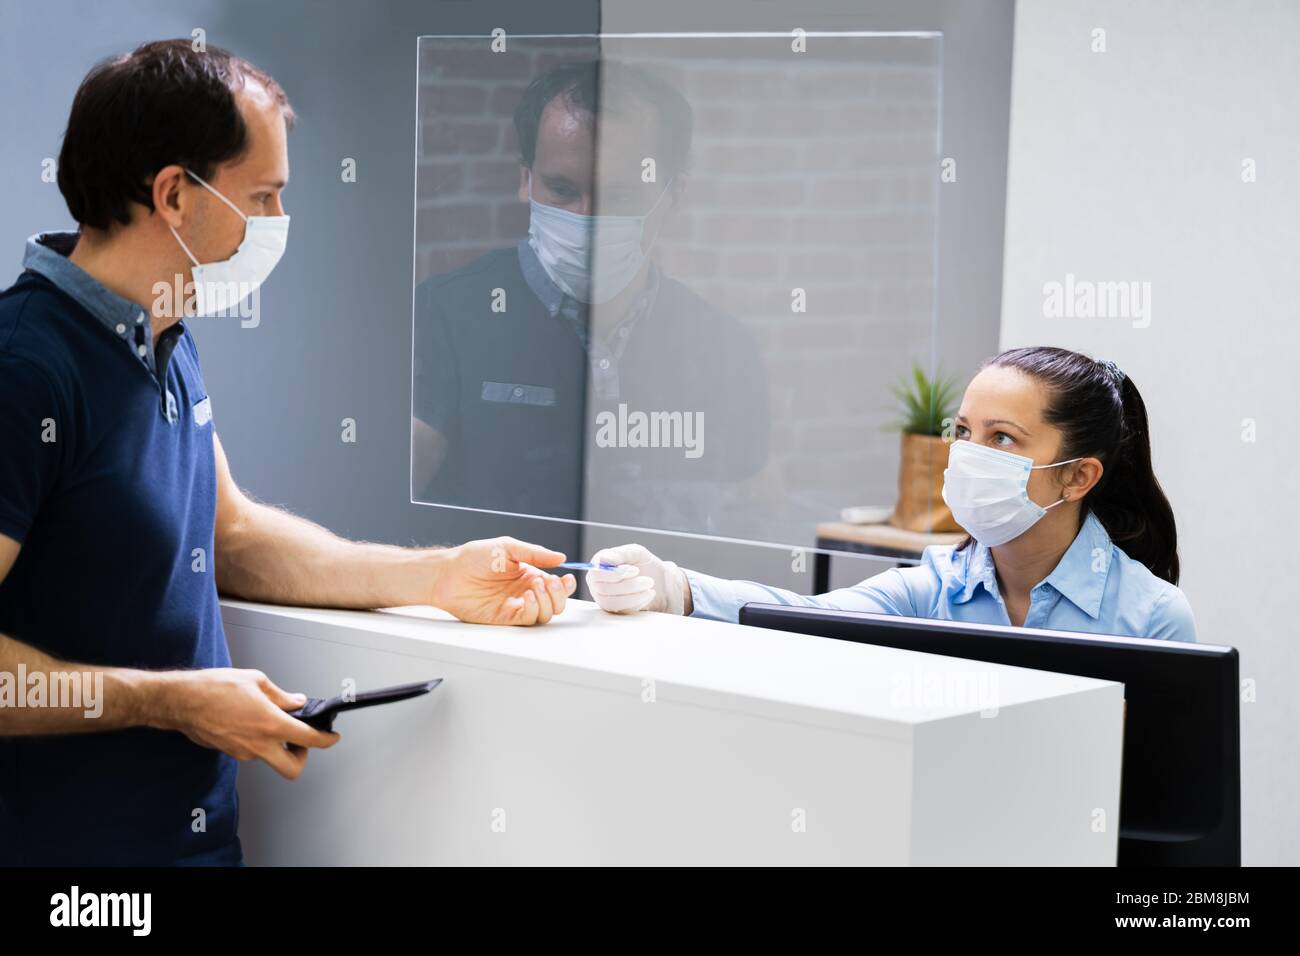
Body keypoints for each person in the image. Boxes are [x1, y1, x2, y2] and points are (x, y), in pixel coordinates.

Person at [0, 40, 576, 866]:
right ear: (173, 195)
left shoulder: (162, 336)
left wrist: (437, 576)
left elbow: (230, 537)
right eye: (263, 196)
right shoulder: (25, 367)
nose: (277, 225)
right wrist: (173, 704)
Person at [584, 346, 1196, 643]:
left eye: (1002, 438)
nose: (969, 454)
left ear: (1077, 476)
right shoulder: (938, 588)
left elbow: (1154, 807)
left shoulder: (1151, 618)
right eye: (963, 432)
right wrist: (675, 587)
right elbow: (806, 615)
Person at [411, 59, 769, 538]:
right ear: (526, 180)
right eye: (562, 189)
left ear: (674, 194)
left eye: (618, 196)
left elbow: (750, 517)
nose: (586, 218)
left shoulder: (722, 346)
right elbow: (390, 504)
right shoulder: (446, 315)